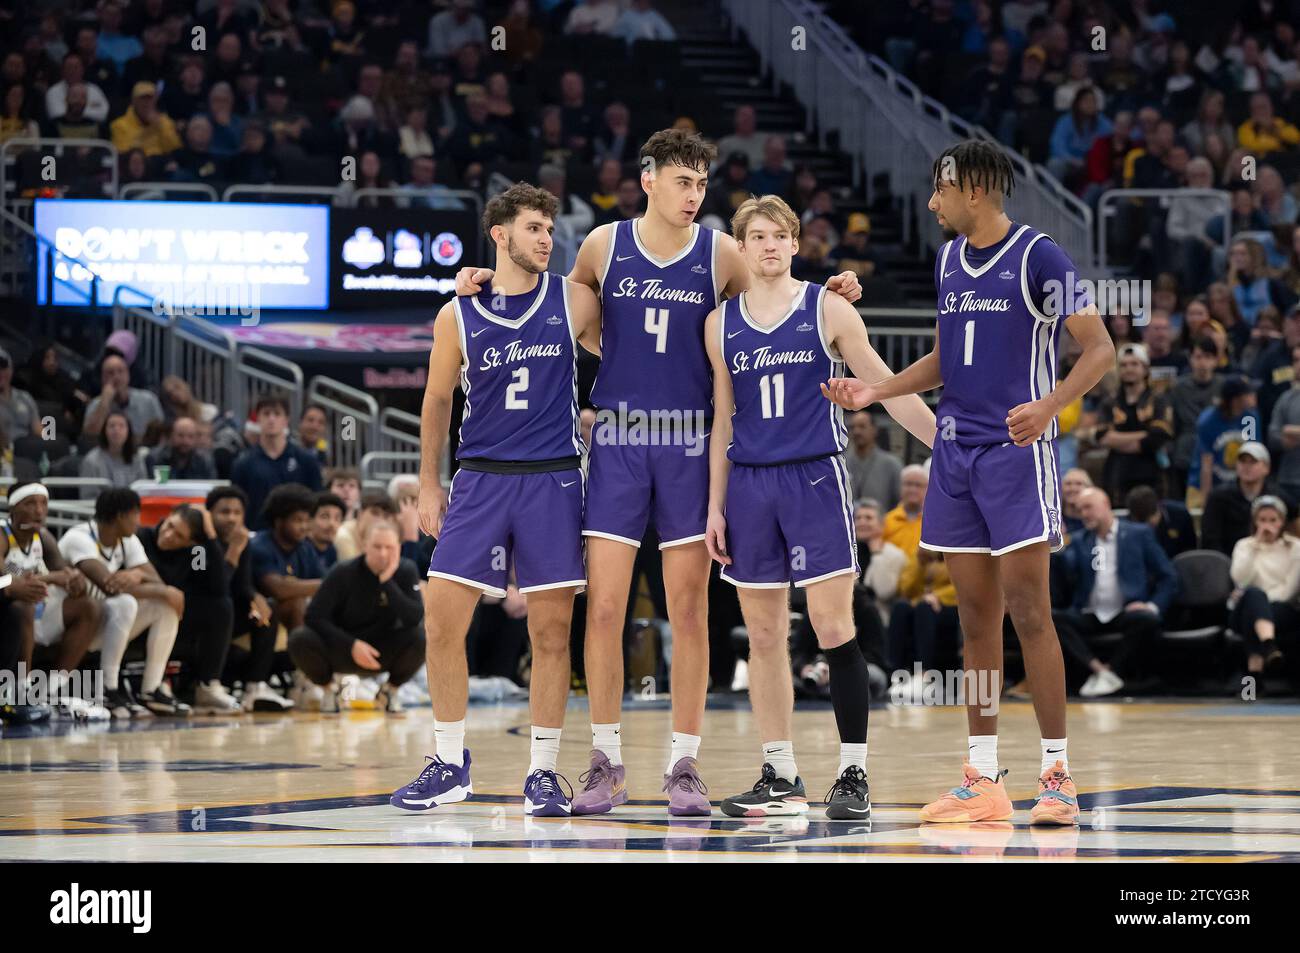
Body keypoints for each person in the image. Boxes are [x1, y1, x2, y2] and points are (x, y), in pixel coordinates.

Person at [453, 128, 863, 816]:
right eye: (682, 181)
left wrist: (835, 289)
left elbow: (773, 292)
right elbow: (558, 310)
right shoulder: (602, 246)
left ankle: (683, 763)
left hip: (689, 442)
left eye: (702, 184)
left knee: (689, 611)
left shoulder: (722, 249)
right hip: (617, 440)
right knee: (605, 607)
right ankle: (605, 760)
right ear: (648, 179)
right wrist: (486, 278)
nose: (693, 195)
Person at [824, 140, 1115, 825]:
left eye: (941, 190)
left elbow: (1099, 346)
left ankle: (1057, 776)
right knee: (975, 620)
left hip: (1017, 454)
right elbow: (945, 359)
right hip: (956, 457)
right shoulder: (949, 259)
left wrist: (1049, 408)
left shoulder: (1040, 256)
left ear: (976, 191)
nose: (932, 202)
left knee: (1030, 613)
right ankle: (982, 777)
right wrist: (876, 390)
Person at [703, 195, 935, 819]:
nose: (770, 244)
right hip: (749, 484)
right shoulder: (720, 322)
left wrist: (946, 444)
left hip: (814, 480)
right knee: (766, 633)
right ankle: (779, 775)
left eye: (781, 234)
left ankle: (853, 774)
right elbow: (723, 417)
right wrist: (714, 506)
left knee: (834, 628)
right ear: (742, 247)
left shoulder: (828, 307)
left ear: (796, 243)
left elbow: (883, 387)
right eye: (757, 236)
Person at [391, 183, 600, 818]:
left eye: (550, 228)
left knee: (551, 630)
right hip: (479, 477)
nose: (547, 239)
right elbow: (434, 402)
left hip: (554, 478)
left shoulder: (573, 299)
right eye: (534, 228)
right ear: (500, 235)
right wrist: (430, 484)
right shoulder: (455, 313)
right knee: (441, 619)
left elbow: (659, 318)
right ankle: (450, 762)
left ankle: (542, 772)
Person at [58, 488, 189, 718]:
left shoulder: (128, 541)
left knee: (163, 607)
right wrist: (163, 590)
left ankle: (151, 689)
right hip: (70, 626)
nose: (139, 521)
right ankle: (108, 689)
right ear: (120, 516)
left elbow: (157, 581)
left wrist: (139, 576)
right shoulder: (79, 538)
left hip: (102, 626)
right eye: (136, 514)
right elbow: (107, 585)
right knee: (125, 603)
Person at [289, 519, 425, 712]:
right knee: (300, 639)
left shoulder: (406, 570)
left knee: (420, 638)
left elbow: (414, 617)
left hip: (382, 650)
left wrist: (387, 583)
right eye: (377, 547)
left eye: (389, 547)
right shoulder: (343, 572)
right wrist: (351, 645)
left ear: (399, 548)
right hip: (343, 647)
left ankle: (390, 691)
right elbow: (314, 617)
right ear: (364, 546)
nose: (383, 553)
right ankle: (330, 690)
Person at [1054, 488, 1178, 698]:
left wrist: (1152, 605)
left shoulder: (1139, 534)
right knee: (1052, 618)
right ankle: (1099, 670)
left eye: (1088, 507)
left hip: (1125, 611)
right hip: (1089, 612)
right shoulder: (1078, 540)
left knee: (1147, 619)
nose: (1083, 513)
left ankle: (1110, 671)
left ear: (1106, 504)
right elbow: (1064, 568)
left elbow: (1169, 577)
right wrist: (1057, 544)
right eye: (1079, 509)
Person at [136, 504, 240, 715]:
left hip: (175, 613)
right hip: (141, 608)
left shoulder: (195, 553)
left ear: (191, 542)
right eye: (170, 525)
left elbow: (219, 587)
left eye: (178, 535)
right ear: (168, 516)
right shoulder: (141, 537)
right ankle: (157, 683)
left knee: (220, 606)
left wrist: (210, 538)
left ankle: (207, 685)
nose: (168, 535)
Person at [0, 483, 101, 691]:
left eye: (43, 504)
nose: (39, 511)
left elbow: (64, 575)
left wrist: (75, 580)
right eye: (30, 504)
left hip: (36, 612)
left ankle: (53, 689)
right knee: (24, 602)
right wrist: (22, 582)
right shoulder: (2, 535)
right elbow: (2, 582)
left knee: (88, 607)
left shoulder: (43, 537)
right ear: (13, 509)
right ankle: (23, 687)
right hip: (8, 609)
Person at [204, 486, 287, 713]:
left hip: (229, 614)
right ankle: (208, 685)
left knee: (266, 609)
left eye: (237, 512)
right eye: (224, 512)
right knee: (223, 605)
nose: (231, 518)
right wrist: (233, 552)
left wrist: (255, 596)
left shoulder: (243, 541)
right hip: (202, 615)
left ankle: (256, 686)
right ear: (209, 513)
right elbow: (210, 588)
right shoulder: (197, 547)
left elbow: (242, 584)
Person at [1229, 495, 1299, 680]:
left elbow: (1290, 591)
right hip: (1246, 605)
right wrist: (1256, 546)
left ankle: (1253, 678)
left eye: (1273, 520)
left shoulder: (1295, 548)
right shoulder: (1244, 546)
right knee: (1253, 596)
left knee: (1254, 612)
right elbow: (1241, 580)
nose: (1267, 525)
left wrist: (1262, 606)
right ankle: (1268, 645)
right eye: (1262, 520)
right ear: (1254, 521)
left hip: (1282, 608)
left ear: (1282, 522)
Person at [231, 395, 323, 530]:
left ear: (286, 420)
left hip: (298, 537)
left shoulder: (306, 461)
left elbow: (317, 500)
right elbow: (236, 504)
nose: (271, 419)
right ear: (258, 419)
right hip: (256, 536)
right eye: (266, 414)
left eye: (277, 414)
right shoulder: (243, 463)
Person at [248, 484, 325, 642]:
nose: (304, 527)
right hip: (255, 613)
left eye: (307, 520)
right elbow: (278, 589)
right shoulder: (259, 546)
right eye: (297, 520)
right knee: (296, 603)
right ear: (278, 521)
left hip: (292, 613)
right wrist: (329, 584)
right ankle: (302, 662)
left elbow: (322, 580)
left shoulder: (305, 548)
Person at [1201, 441, 1297, 556]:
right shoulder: (1218, 497)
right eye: (1242, 461)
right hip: (1228, 561)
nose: (1247, 466)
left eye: (1253, 462)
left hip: (1269, 562)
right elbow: (1210, 539)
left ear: (1266, 468)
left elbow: (1295, 522)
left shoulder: (1278, 497)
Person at [82, 352, 164, 441]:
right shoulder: (96, 405)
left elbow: (162, 434)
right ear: (103, 378)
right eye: (110, 373)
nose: (116, 377)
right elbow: (89, 438)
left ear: (128, 375)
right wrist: (104, 402)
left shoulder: (149, 400)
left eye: (120, 371)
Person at [79, 411, 148, 497]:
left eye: (121, 426)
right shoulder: (91, 461)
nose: (116, 430)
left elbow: (143, 491)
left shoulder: (136, 458)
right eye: (112, 426)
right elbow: (87, 496)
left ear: (128, 431)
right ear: (104, 431)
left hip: (132, 509)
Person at [843, 410, 902, 509]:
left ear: (874, 430)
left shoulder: (891, 464)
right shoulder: (841, 463)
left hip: (882, 522)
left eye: (862, 426)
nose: (857, 431)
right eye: (853, 427)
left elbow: (901, 504)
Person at [1125, 485, 1198, 559]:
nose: (1146, 528)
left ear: (1158, 510)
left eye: (1149, 523)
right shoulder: (1126, 525)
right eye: (1140, 524)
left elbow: (1190, 550)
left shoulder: (1181, 515)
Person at [146, 416, 216, 480]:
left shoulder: (205, 460)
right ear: (171, 436)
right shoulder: (155, 458)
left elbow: (210, 487)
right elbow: (154, 488)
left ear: (196, 438)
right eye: (180, 436)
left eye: (190, 436)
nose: (185, 441)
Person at [883, 464, 927, 557]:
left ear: (927, 488)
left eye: (918, 485)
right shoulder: (887, 521)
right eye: (908, 484)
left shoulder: (933, 523)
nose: (912, 489)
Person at [308, 491, 344, 571]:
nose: (332, 524)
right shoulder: (303, 550)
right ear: (309, 520)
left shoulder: (331, 550)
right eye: (324, 517)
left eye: (337, 518)